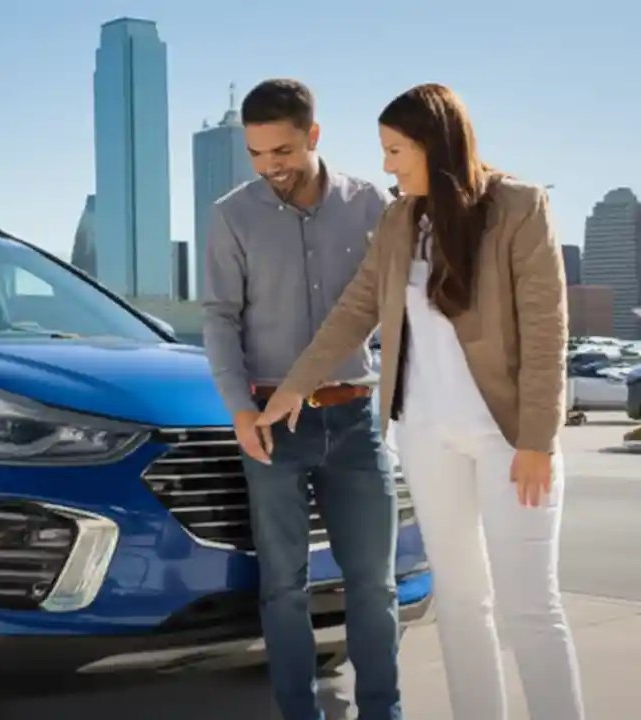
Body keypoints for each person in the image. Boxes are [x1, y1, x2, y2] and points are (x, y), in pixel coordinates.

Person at [256, 82, 585, 720]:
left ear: (434, 145)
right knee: (462, 604)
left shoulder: (519, 206)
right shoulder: (400, 218)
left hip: (508, 438)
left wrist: (538, 440)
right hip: (428, 437)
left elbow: (548, 332)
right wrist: (297, 384)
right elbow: (355, 309)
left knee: (529, 608)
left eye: (395, 150)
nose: (386, 165)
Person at [202, 78, 401, 720]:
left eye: (282, 152)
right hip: (270, 425)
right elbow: (219, 318)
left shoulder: (370, 203)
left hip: (353, 421)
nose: (270, 169)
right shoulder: (232, 214)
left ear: (313, 135)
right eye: (257, 155)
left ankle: (383, 711)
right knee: (284, 586)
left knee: (374, 583)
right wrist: (239, 411)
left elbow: (396, 307)